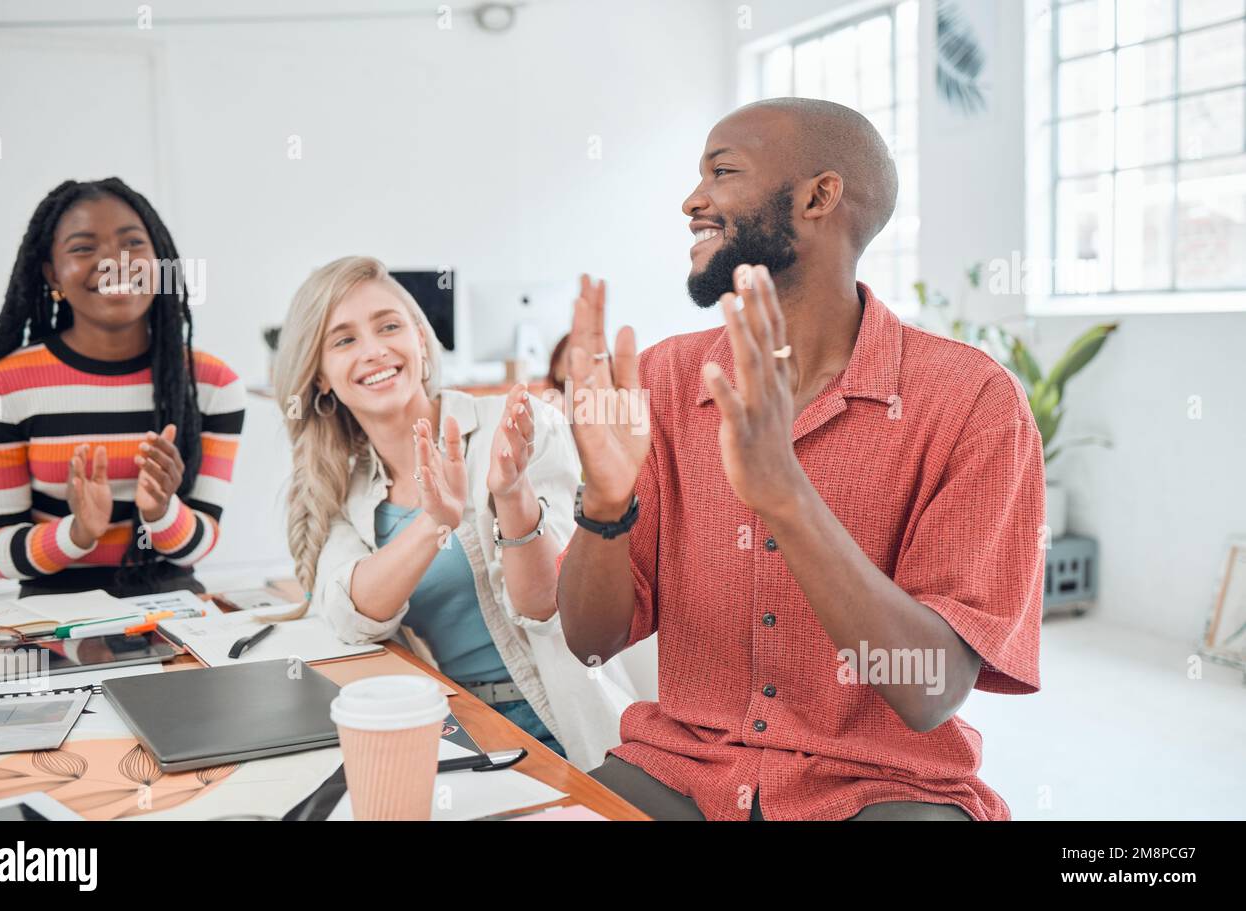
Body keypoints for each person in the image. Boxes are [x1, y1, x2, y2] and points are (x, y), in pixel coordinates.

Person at [556, 98, 1045, 820]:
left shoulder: (972, 401)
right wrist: (603, 506)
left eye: (722, 172)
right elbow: (590, 643)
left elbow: (928, 689)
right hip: (682, 768)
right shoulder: (662, 380)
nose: (693, 201)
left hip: (883, 788)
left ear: (820, 195)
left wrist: (784, 493)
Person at [274, 256, 632, 770]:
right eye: (344, 339)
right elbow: (351, 616)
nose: (375, 350)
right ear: (321, 377)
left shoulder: (517, 429)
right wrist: (432, 524)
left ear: (421, 339)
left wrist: (512, 496)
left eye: (389, 326)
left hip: (554, 724)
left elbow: (547, 606)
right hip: (441, 729)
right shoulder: (341, 486)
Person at [0, 178, 245, 602]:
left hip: (171, 608)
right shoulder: (1, 389)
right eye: (82, 248)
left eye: (132, 244)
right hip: (52, 615)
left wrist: (161, 511)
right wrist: (77, 532)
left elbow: (202, 541)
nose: (114, 263)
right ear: (52, 274)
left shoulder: (212, 384)